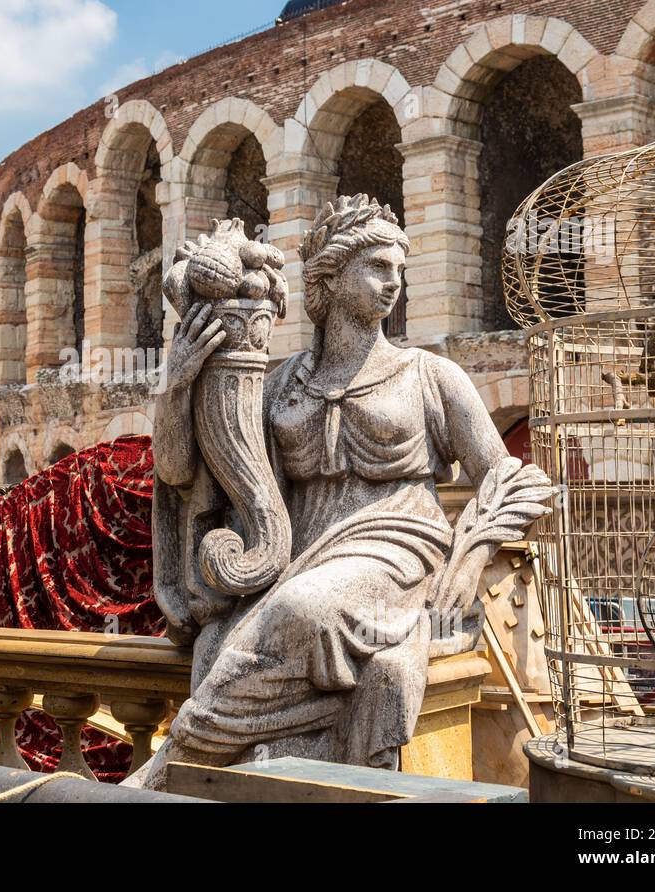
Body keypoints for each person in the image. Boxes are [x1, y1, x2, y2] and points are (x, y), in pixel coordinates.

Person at [126, 194, 543, 789]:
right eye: (376, 267)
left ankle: (173, 765)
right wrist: (180, 387)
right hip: (297, 555)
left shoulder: (430, 375)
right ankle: (263, 775)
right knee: (221, 635)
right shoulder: (281, 384)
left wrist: (469, 557)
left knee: (304, 610)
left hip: (397, 551)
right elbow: (178, 476)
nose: (393, 284)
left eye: (399, 270)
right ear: (330, 274)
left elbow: (513, 480)